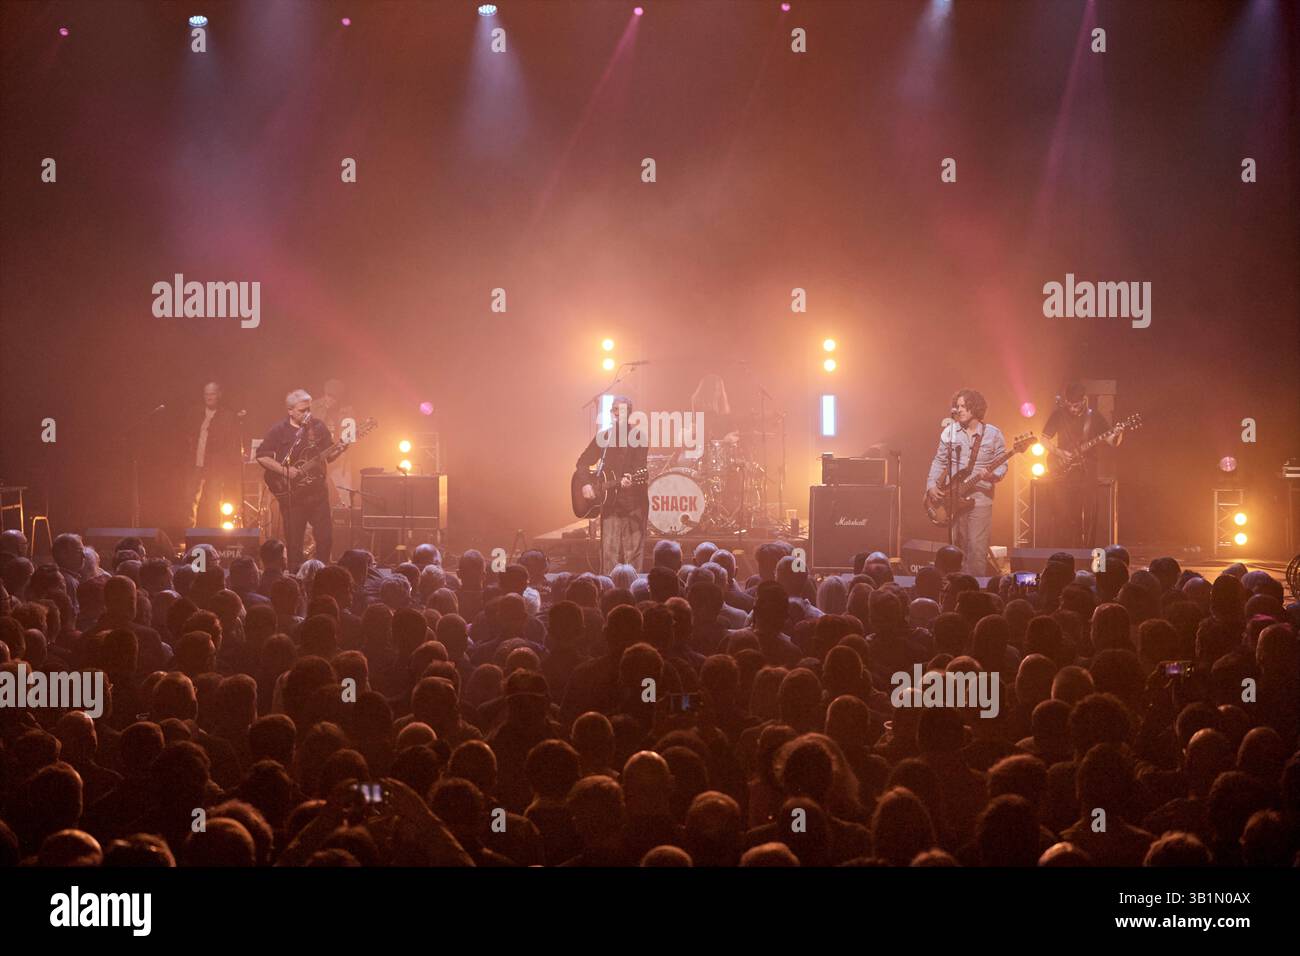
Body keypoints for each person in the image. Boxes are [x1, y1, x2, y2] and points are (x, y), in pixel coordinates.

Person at [925, 389, 1007, 577]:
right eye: (958, 406)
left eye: (964, 406)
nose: (959, 409)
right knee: (957, 548)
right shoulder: (950, 432)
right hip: (954, 497)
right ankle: (955, 589)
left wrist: (992, 475)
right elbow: (939, 461)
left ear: (975, 408)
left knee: (977, 549)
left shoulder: (993, 434)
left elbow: (1003, 464)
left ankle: (974, 594)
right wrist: (931, 485)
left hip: (980, 498)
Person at [256, 389, 335, 568]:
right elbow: (261, 456)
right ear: (290, 411)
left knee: (325, 538)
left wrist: (340, 448)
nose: (307, 414)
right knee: (294, 543)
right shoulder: (279, 430)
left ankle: (323, 574)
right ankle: (295, 578)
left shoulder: (319, 427)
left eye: (309, 409)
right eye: (302, 410)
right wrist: (284, 471)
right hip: (293, 496)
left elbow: (329, 455)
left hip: (317, 493)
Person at [1041, 382, 1121, 548]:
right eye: (1069, 405)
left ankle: (1088, 553)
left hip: (1087, 472)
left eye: (1076, 405)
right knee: (1065, 515)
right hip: (1064, 473)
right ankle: (1066, 551)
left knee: (1090, 514)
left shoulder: (1094, 416)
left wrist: (1119, 433)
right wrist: (1059, 453)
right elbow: (1043, 439)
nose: (1073, 409)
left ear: (1084, 400)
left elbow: (1112, 441)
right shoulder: (1058, 415)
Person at [575, 396, 649, 573]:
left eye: (621, 410)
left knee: (633, 556)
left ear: (629, 412)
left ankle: (633, 593)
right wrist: (586, 484)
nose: (617, 413)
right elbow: (582, 462)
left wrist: (629, 479)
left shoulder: (639, 437)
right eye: (614, 410)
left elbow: (640, 467)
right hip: (610, 504)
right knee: (609, 555)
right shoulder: (604, 436)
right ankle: (608, 593)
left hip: (634, 503)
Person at [186, 382, 243, 528]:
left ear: (219, 395)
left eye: (212, 394)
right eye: (206, 394)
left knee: (214, 501)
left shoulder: (227, 416)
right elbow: (189, 437)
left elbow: (230, 443)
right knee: (189, 499)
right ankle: (189, 535)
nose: (209, 397)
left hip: (216, 466)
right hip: (196, 464)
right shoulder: (195, 413)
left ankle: (215, 536)